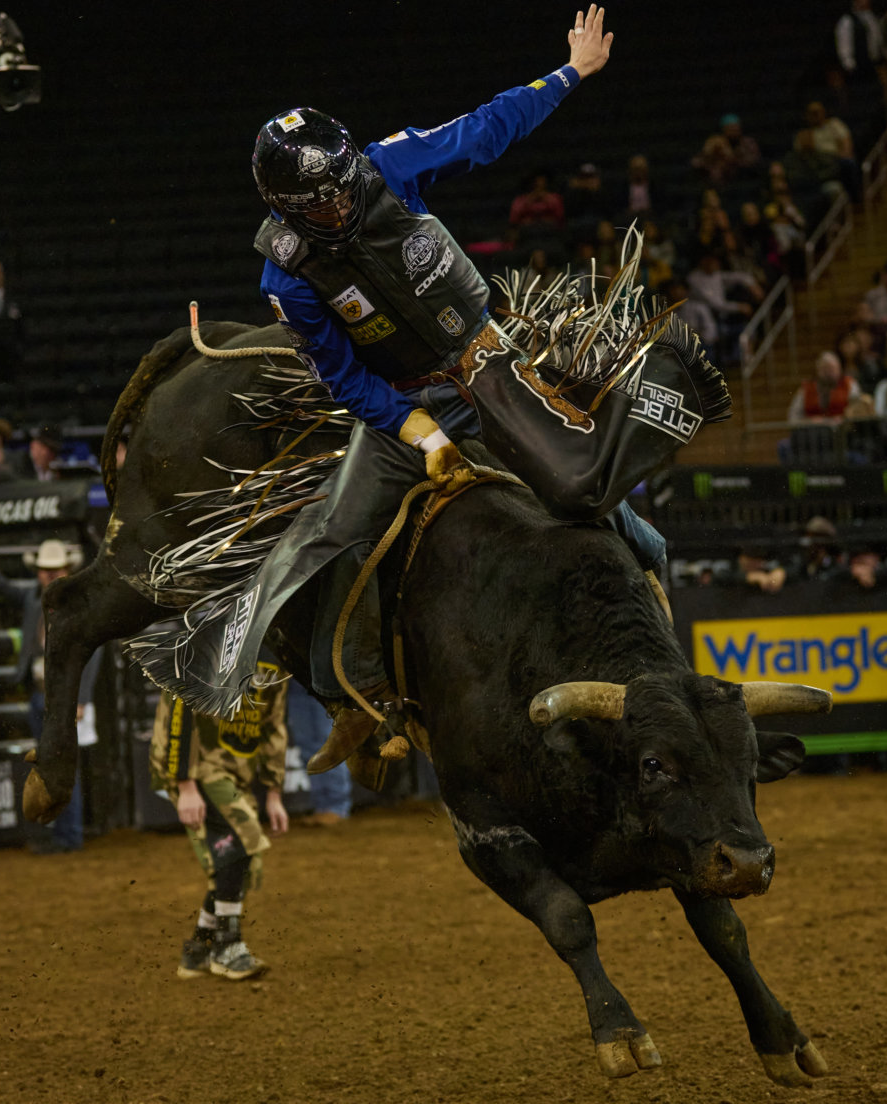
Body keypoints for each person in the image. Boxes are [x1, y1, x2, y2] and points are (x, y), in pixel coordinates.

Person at [250, 6, 663, 771]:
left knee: (599, 499)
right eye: (326, 201)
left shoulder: (388, 166)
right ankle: (353, 697)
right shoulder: (289, 276)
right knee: (334, 538)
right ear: (292, 210)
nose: (343, 204)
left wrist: (570, 72)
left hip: (488, 370)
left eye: (344, 189)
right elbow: (342, 376)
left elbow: (483, 129)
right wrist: (419, 433)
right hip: (401, 407)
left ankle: (658, 620)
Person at [0, 538, 100, 852]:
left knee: (60, 767)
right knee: (52, 766)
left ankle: (68, 836)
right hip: (42, 695)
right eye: (44, 570)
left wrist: (80, 700)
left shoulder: (77, 604)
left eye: (54, 570)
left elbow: (93, 653)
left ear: (66, 570)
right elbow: (1, 585)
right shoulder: (35, 597)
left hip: (62, 698)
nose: (48, 576)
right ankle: (64, 835)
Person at [150, 663, 289, 980]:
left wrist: (274, 792)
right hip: (195, 764)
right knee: (243, 840)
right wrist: (184, 783)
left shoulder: (277, 657)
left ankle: (199, 949)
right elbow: (179, 709)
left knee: (240, 864)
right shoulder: (210, 643)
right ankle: (228, 947)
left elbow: (274, 724)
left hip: (234, 767)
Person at [284, 680, 350, 826]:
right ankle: (322, 806)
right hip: (295, 684)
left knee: (327, 742)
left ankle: (337, 806)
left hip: (323, 684)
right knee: (306, 746)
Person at [787, 351, 860, 423]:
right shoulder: (806, 389)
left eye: (832, 369)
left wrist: (845, 418)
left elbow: (859, 412)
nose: (828, 373)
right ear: (818, 370)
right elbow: (793, 416)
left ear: (839, 369)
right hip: (813, 431)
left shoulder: (850, 384)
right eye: (825, 369)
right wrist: (809, 421)